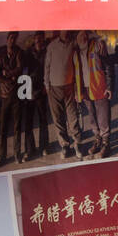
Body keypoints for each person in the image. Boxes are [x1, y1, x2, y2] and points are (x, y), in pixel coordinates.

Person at [73, 30, 112, 158]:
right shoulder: (76, 53)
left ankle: (106, 144)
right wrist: (76, 92)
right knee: (92, 118)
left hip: (100, 88)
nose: (82, 36)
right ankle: (98, 140)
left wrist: (109, 86)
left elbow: (108, 66)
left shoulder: (97, 45)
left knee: (103, 118)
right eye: (79, 34)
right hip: (85, 90)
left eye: (84, 33)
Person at [43, 30, 82, 159]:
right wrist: (47, 85)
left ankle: (77, 143)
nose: (65, 31)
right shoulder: (52, 46)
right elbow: (47, 66)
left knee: (73, 116)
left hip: (69, 87)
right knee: (58, 119)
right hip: (54, 88)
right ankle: (65, 146)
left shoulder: (73, 44)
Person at [0, 31, 25, 167]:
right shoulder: (1, 55)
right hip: (5, 95)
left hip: (16, 95)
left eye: (14, 38)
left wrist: (7, 73)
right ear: (7, 39)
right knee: (3, 128)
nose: (12, 41)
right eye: (10, 38)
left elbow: (20, 68)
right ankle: (2, 157)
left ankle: (17, 154)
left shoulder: (19, 52)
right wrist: (8, 79)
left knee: (17, 127)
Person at [24, 31, 51, 159]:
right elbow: (22, 70)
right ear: (34, 41)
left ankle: (44, 146)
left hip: (42, 89)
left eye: (41, 40)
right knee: (28, 122)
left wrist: (47, 85)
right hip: (29, 90)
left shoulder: (47, 52)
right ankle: (30, 150)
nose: (39, 42)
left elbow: (50, 68)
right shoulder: (28, 53)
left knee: (43, 120)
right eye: (37, 40)